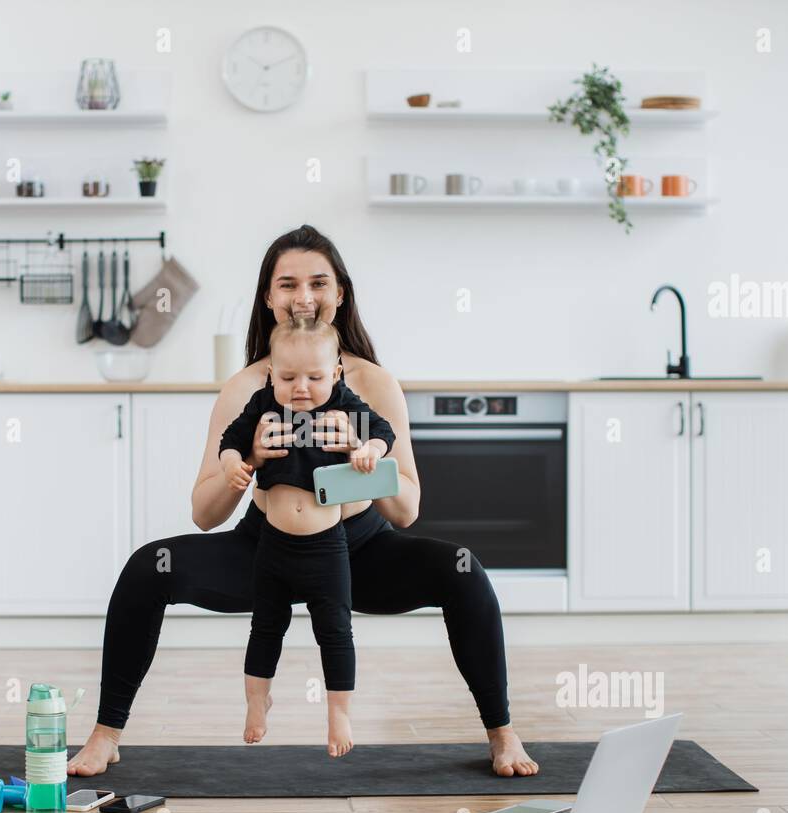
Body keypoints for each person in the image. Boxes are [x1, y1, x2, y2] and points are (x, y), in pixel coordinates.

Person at [68, 223, 539, 778]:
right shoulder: (245, 388)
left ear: (340, 294)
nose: (304, 298)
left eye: (318, 283)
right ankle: (106, 733)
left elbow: (406, 508)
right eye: (288, 285)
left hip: (355, 553)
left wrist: (356, 461)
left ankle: (503, 735)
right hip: (265, 553)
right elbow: (204, 511)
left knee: (463, 570)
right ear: (269, 297)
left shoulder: (371, 384)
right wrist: (248, 467)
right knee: (149, 567)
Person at [218, 314, 395, 756]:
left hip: (327, 546)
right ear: (270, 373)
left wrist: (366, 449)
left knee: (335, 631)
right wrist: (232, 464)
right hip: (272, 544)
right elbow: (230, 439)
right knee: (265, 628)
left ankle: (339, 713)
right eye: (288, 376)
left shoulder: (342, 404)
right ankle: (257, 703)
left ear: (334, 373)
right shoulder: (262, 404)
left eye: (314, 376)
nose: (301, 387)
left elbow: (383, 432)